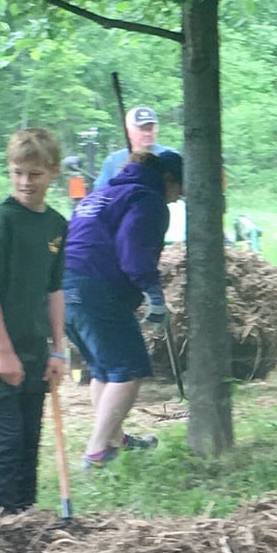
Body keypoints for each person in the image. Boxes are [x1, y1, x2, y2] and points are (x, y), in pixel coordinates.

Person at [0, 128, 69, 514]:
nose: (25, 182)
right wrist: (4, 352)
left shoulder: (56, 225)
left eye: (35, 174)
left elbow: (54, 291)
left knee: (30, 444)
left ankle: (24, 526)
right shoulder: (2, 222)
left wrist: (59, 350)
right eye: (17, 172)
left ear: (53, 172)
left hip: (35, 348)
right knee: (7, 445)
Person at [63, 147, 182, 469]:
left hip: (64, 288)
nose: (174, 200)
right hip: (97, 288)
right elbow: (134, 250)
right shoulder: (147, 199)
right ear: (168, 180)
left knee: (104, 370)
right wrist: (154, 294)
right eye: (177, 191)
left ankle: (116, 438)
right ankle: (98, 451)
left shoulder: (102, 195)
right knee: (129, 370)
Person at [96, 105, 160, 190]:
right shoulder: (113, 160)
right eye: (142, 129)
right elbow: (99, 193)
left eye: (150, 129)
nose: (147, 133)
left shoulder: (168, 156)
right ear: (128, 131)